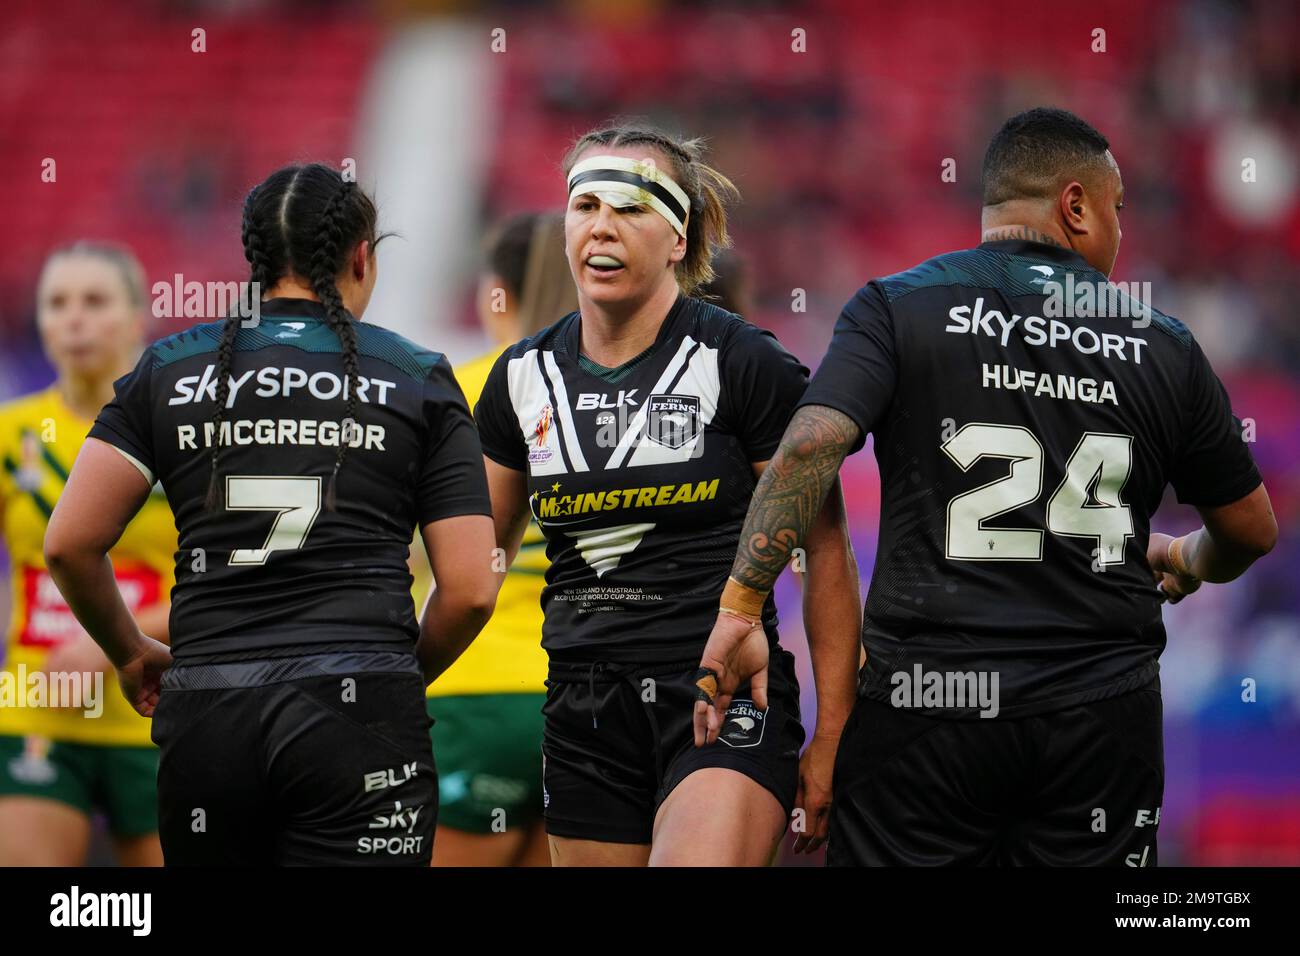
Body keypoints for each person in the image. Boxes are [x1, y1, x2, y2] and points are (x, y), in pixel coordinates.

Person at [697, 106, 1278, 866]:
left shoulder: (896, 305)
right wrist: (1185, 558)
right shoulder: (1164, 344)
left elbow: (810, 448)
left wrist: (741, 601)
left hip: (925, 713)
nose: (1121, 232)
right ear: (1075, 205)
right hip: (1099, 720)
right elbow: (1251, 531)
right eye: (1116, 211)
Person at [43, 163, 498, 865]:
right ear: (361, 256)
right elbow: (469, 592)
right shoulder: (418, 376)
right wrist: (394, 678)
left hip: (209, 714)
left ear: (255, 259)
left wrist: (131, 653)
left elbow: (71, 544)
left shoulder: (167, 369)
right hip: (362, 718)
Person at [473, 122, 861, 866]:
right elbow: (471, 571)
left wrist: (833, 737)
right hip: (580, 710)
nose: (601, 227)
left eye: (630, 208)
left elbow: (825, 550)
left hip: (718, 694)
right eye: (585, 205)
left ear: (679, 239)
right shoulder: (518, 379)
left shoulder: (744, 363)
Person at [0, 242, 175, 866]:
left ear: (135, 319)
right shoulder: (11, 434)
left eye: (94, 302)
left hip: (158, 717)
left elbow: (228, 583)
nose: (73, 319)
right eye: (57, 303)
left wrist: (111, 643)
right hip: (36, 715)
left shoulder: (179, 436)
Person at [424, 212, 575, 866]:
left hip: (473, 685)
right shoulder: (611, 392)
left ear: (498, 294)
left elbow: (409, 552)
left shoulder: (456, 391)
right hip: (584, 694)